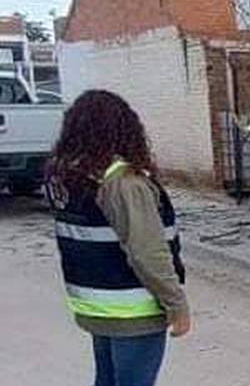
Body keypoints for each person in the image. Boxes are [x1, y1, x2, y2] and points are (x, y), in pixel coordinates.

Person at [46, 89, 190, 386]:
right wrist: (176, 304)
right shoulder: (123, 183)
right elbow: (147, 253)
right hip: (134, 312)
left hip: (96, 307)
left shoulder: (68, 176)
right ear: (125, 129)